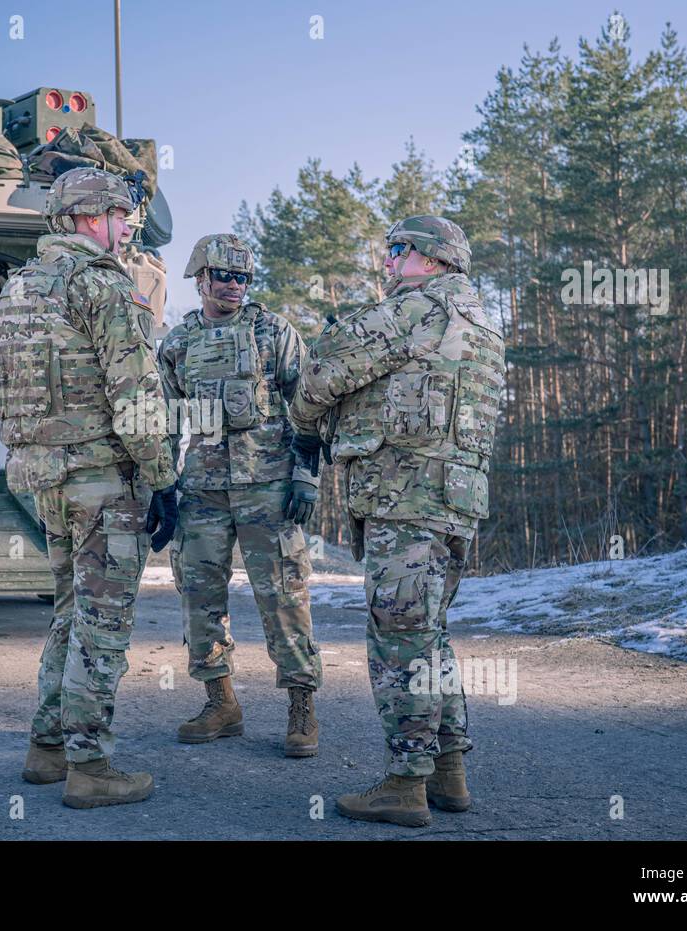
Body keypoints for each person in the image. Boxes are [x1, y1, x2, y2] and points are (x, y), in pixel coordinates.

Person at [289, 216, 505, 826]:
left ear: (430, 259)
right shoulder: (484, 320)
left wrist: (306, 428)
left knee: (399, 639)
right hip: (458, 500)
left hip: (403, 497)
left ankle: (406, 783)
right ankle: (447, 771)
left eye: (397, 250)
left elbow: (321, 373)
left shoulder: (413, 310)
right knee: (430, 634)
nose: (387, 262)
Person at [0, 167, 178, 809]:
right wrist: (163, 477)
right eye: (121, 215)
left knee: (70, 610)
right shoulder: (102, 284)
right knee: (102, 622)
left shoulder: (17, 287)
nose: (129, 226)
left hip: (44, 478)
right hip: (101, 481)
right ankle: (90, 766)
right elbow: (136, 395)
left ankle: (46, 747)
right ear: (89, 217)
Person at [157, 233, 323, 758]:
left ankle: (301, 708)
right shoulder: (178, 344)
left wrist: (306, 476)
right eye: (223, 276)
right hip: (202, 492)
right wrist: (161, 484)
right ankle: (220, 703)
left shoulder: (274, 332)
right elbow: (160, 420)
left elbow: (310, 408)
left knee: (284, 598)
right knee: (199, 598)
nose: (233, 286)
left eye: (242, 278)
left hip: (268, 490)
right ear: (200, 279)